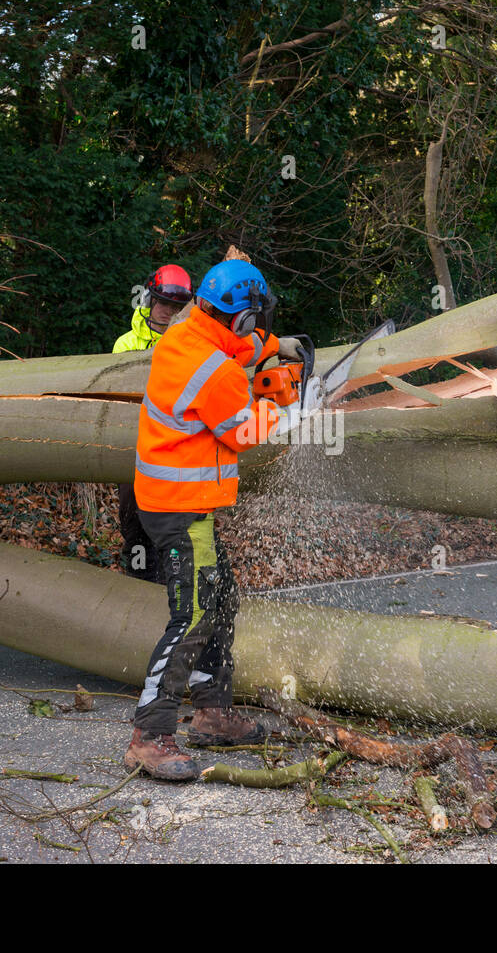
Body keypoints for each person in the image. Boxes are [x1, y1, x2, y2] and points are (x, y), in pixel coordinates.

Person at [124, 258, 313, 780]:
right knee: (195, 613)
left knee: (220, 596)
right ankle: (150, 733)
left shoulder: (191, 333)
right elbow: (244, 433)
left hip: (177, 499)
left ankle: (210, 713)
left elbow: (236, 345)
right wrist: (286, 399)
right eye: (255, 323)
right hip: (178, 507)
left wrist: (276, 346)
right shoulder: (212, 370)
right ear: (241, 318)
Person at [112, 264, 193, 583]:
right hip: (134, 443)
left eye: (175, 307)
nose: (167, 311)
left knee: (176, 527)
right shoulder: (126, 344)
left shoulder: (190, 345)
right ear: (149, 299)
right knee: (134, 522)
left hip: (176, 447)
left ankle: (178, 587)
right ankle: (138, 582)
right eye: (162, 303)